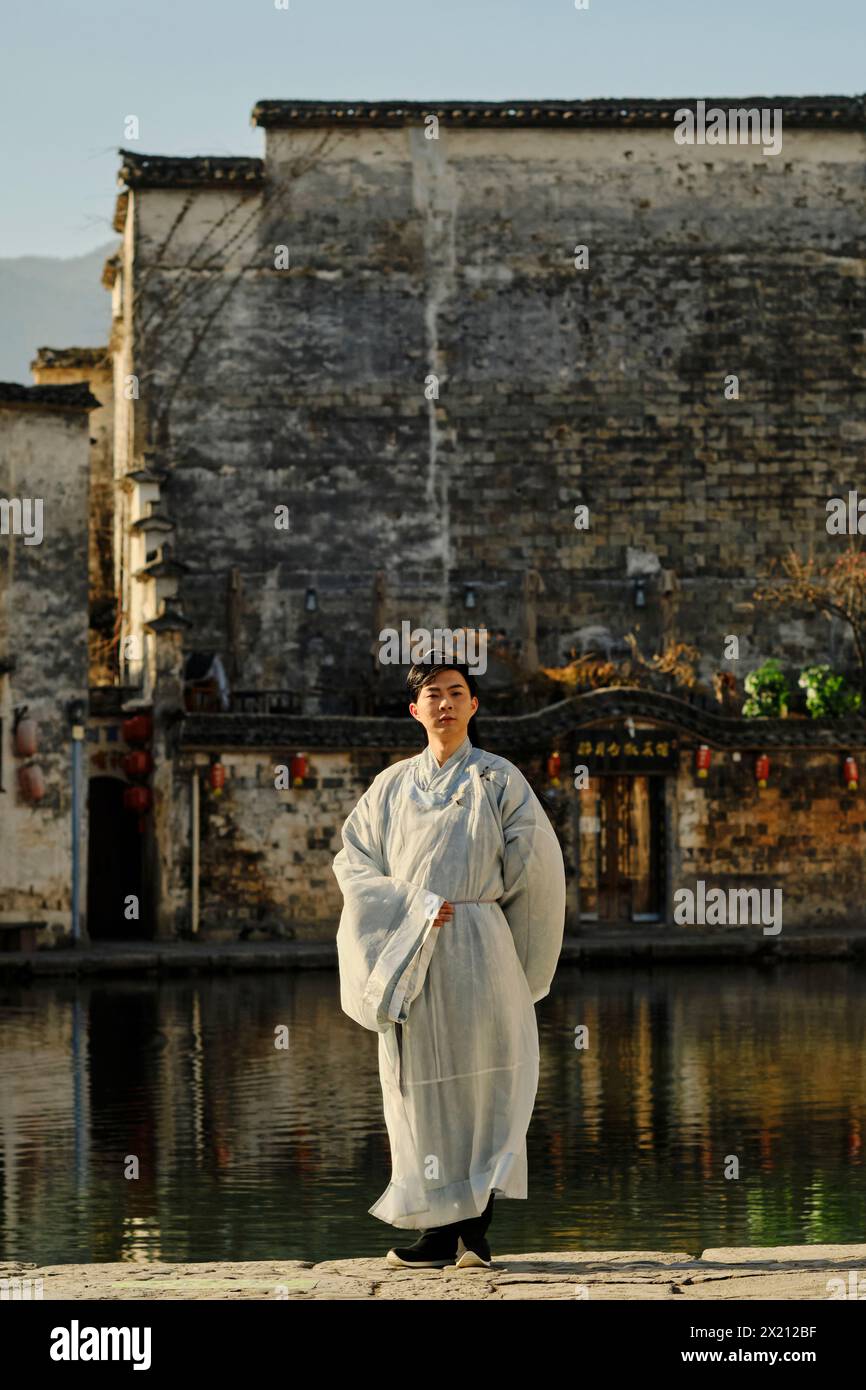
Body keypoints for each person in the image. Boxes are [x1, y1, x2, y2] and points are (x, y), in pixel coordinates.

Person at [331, 656, 566, 1269]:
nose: (445, 703)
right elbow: (354, 863)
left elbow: (537, 869)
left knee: (486, 1080)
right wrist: (408, 907)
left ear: (473, 706)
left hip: (480, 944)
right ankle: (437, 1232)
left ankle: (476, 1227)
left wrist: (513, 950)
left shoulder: (498, 780)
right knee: (418, 1088)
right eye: (432, 695)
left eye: (456, 693)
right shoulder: (389, 787)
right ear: (415, 710)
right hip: (415, 950)